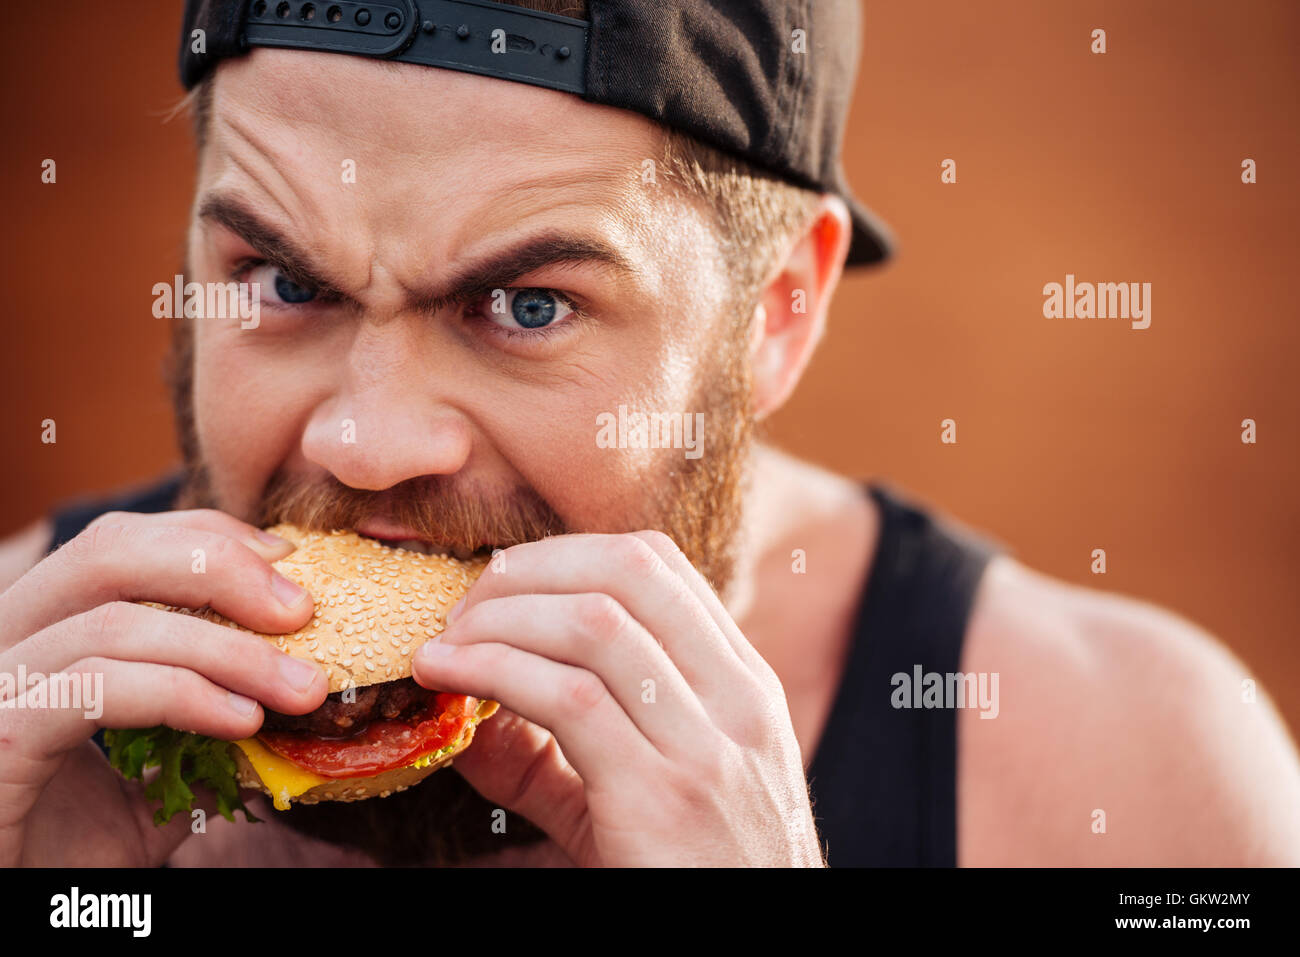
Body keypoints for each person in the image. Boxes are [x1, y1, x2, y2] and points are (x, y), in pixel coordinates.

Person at [1, 0, 1296, 867]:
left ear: (777, 313)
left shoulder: (1139, 779)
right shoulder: (25, 718)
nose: (367, 439)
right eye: (283, 281)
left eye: (525, 303)